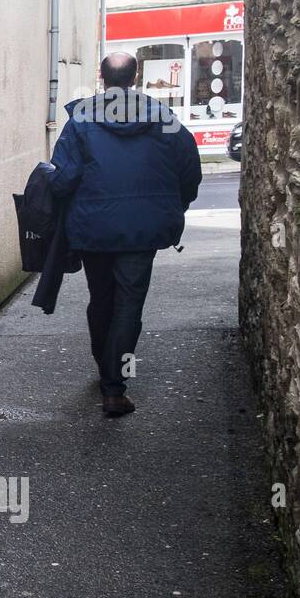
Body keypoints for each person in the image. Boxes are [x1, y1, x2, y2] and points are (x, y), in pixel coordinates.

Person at [49, 52, 203, 416]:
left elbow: (64, 177)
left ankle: (105, 366)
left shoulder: (81, 119)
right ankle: (114, 390)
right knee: (128, 307)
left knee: (100, 299)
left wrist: (51, 192)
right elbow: (189, 172)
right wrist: (169, 208)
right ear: (135, 78)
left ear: (101, 77)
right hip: (142, 230)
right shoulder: (164, 119)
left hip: (94, 228)